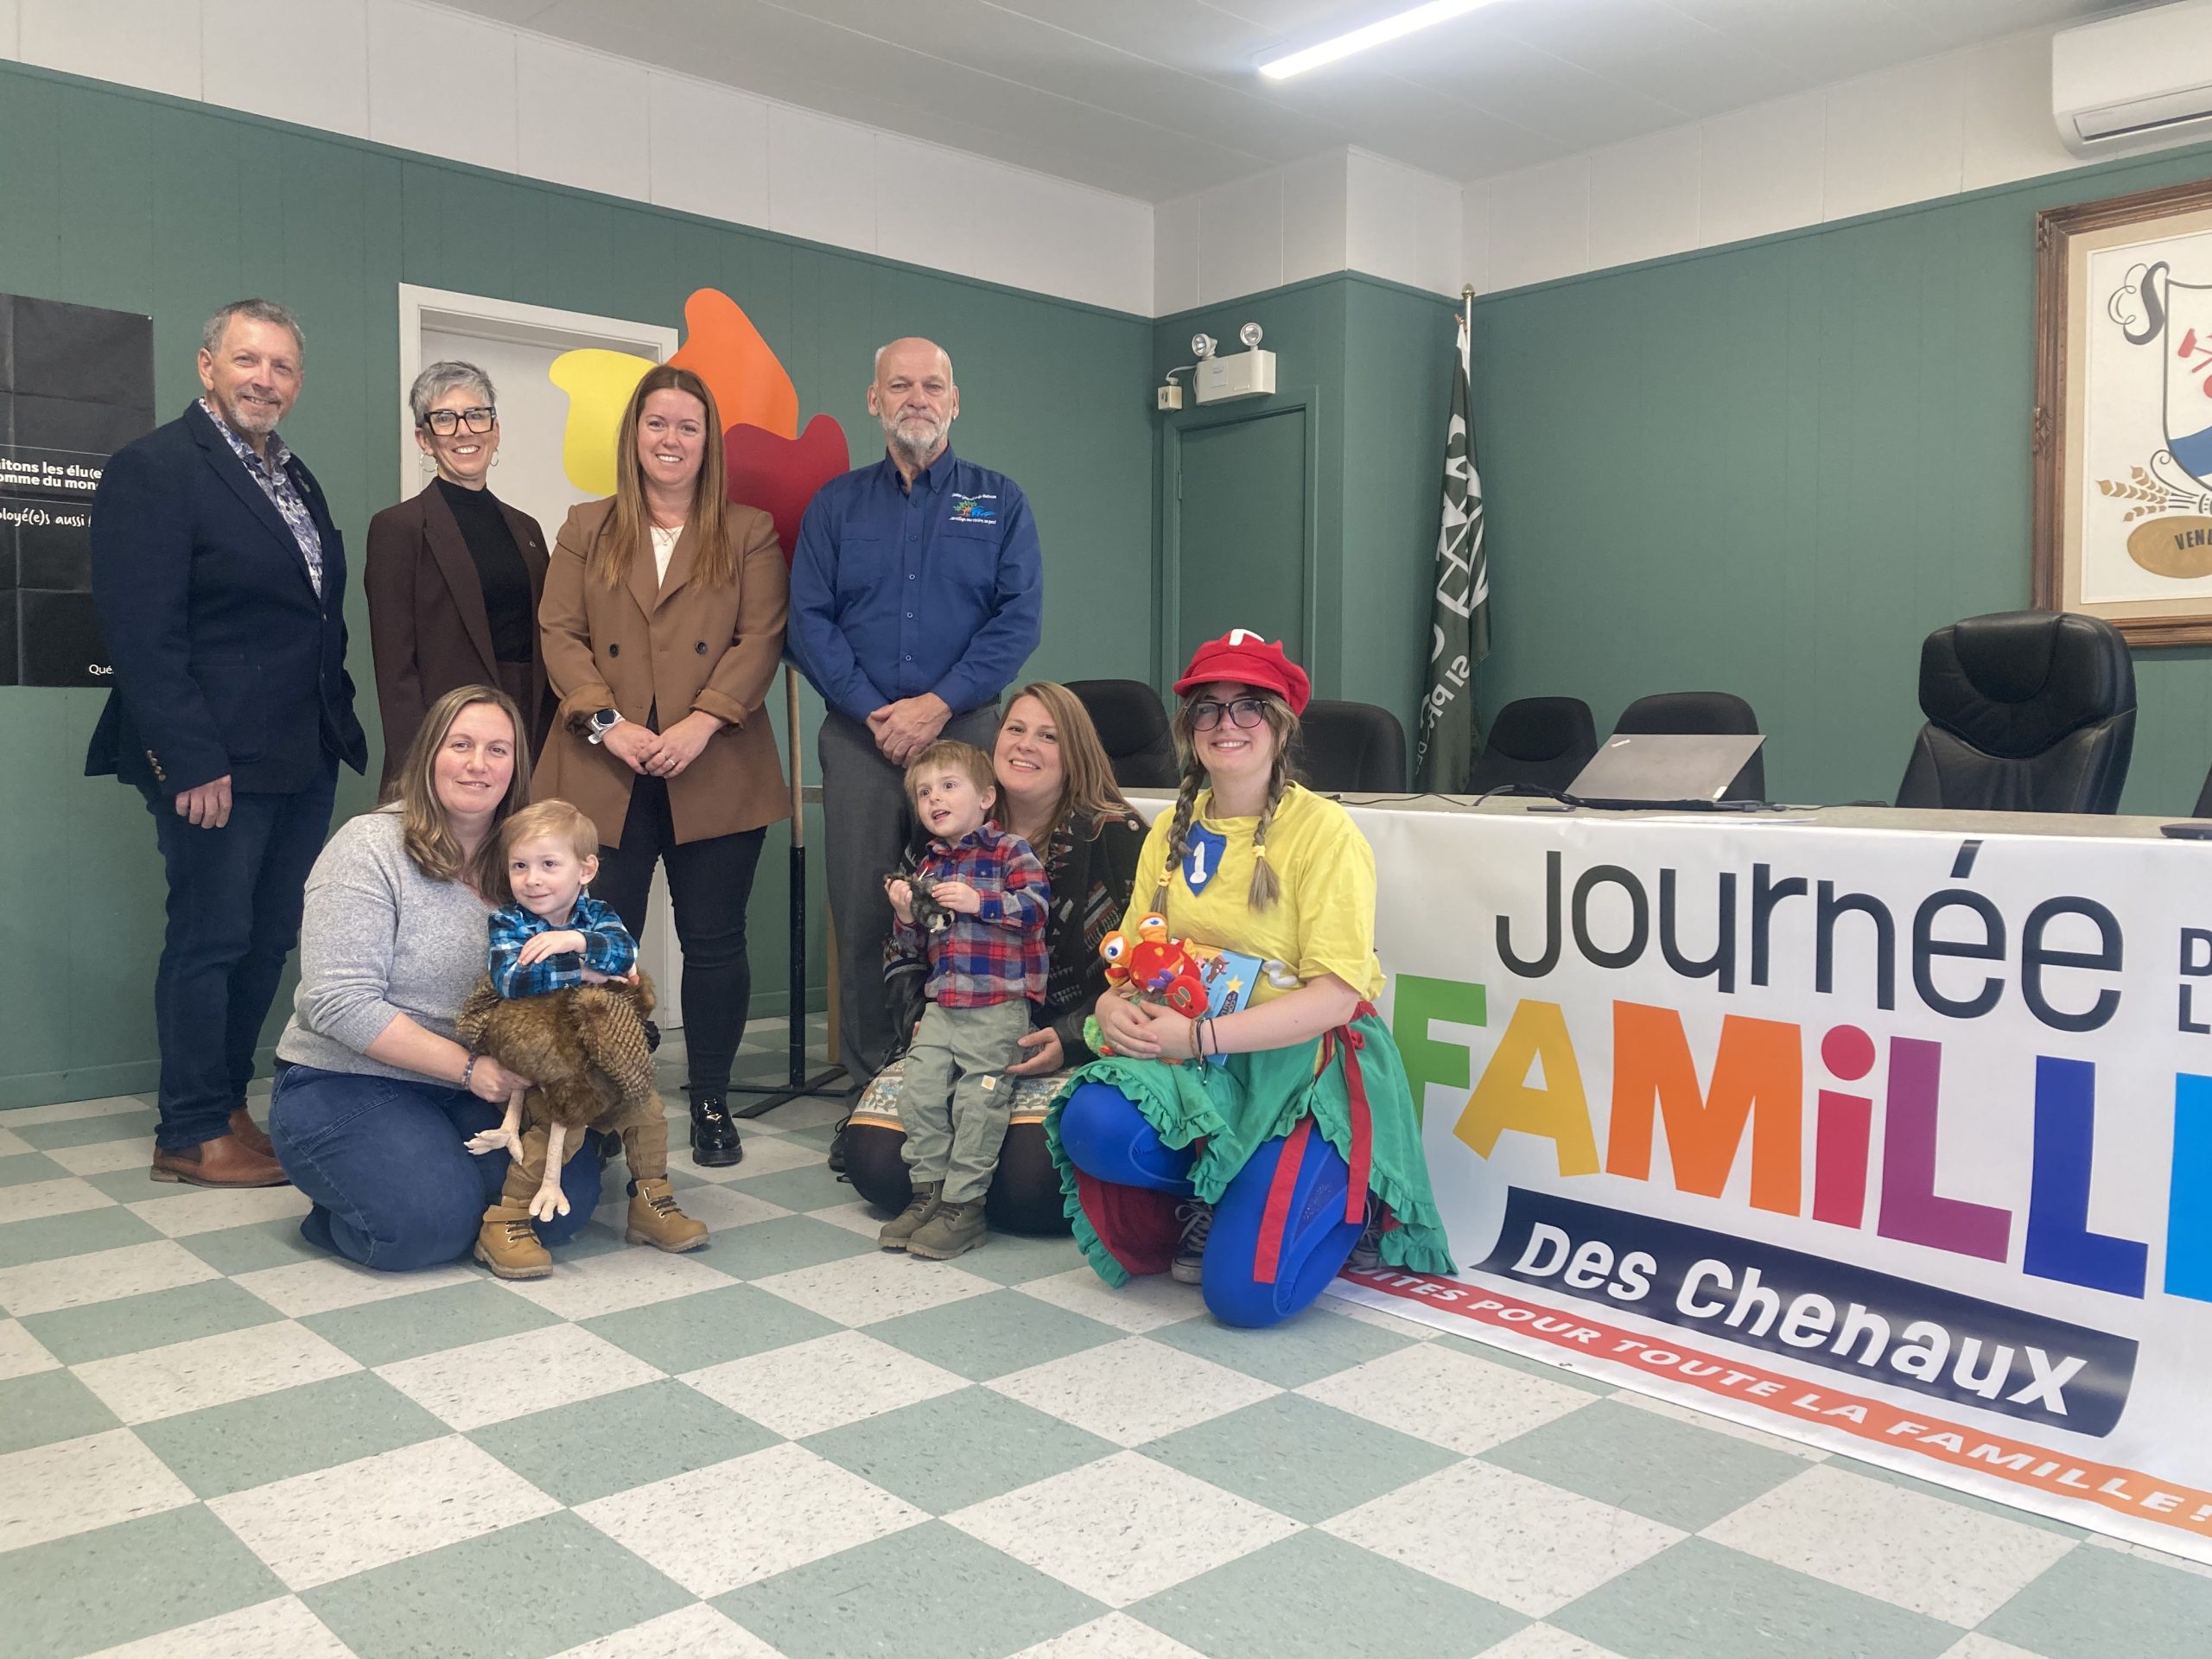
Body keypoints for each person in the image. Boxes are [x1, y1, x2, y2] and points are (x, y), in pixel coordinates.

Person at [1047, 631, 1454, 1328]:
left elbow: (1336, 998)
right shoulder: (1169, 830)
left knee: (1245, 1300)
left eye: (1248, 707)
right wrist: (1113, 1004)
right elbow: (1136, 961)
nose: (1226, 724)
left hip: (1300, 1070)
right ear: (1189, 728)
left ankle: (1345, 1200)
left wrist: (1199, 1038)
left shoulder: (1325, 833)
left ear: (1281, 725)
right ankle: (1215, 1193)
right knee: (1094, 1121)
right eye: (1207, 708)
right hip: (1201, 1064)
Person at [86, 298, 367, 1189]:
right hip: (213, 760)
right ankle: (189, 1129)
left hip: (300, 749)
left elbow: (313, 615)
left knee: (268, 936)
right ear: (207, 366)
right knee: (211, 937)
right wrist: (191, 759)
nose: (265, 380)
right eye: (248, 360)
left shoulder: (295, 477)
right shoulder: (156, 468)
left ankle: (226, 1104)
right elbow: (142, 634)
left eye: (281, 367)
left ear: (298, 382)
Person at [536, 365, 788, 1168]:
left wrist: (704, 721)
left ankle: (710, 1098)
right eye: (657, 423)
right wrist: (607, 724)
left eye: (687, 426)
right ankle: (608, 1101)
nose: (671, 439)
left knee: (714, 941)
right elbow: (559, 633)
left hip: (715, 761)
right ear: (634, 435)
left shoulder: (748, 530)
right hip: (604, 766)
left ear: (708, 442)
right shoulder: (587, 524)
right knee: (601, 946)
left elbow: (761, 637)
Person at [268, 685, 603, 1269]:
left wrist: (599, 975)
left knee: (560, 1211)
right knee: (426, 1226)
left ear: (515, 767)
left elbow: (575, 952)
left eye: (497, 750)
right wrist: (472, 1071)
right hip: (347, 1077)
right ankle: (341, 1216)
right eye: (461, 745)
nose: (479, 765)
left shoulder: (528, 860)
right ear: (429, 755)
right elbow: (336, 1001)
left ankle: (438, 1180)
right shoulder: (368, 847)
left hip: (481, 1084)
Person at [789, 337, 1043, 1088]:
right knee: (866, 909)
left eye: (932, 386)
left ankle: (967, 1073)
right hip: (859, 737)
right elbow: (808, 621)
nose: (917, 400)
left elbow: (1017, 621)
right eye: (899, 386)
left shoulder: (999, 500)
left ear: (954, 401)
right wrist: (878, 713)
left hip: (965, 732)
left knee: (971, 902)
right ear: (875, 400)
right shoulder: (836, 506)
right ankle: (876, 1082)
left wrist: (935, 706)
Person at [842, 683, 1145, 1233]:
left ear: (1075, 751)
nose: (1025, 745)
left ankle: (966, 1205)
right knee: (875, 1165)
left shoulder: (1114, 834)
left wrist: (1071, 1036)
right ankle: (948, 1197)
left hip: (1063, 1038)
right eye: (1016, 729)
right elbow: (902, 949)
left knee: (1031, 1183)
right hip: (955, 1022)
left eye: (1048, 736)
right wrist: (922, 1020)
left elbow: (1145, 962)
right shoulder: (947, 824)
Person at [462, 799, 707, 1279]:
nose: (532, 879)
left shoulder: (597, 916)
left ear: (586, 870)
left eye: (549, 865)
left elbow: (624, 957)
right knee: (560, 1127)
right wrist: (585, 971)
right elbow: (513, 981)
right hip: (546, 1063)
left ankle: (652, 1201)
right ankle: (505, 1221)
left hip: (602, 1055)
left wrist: (575, 943)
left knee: (647, 1110)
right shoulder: (509, 922)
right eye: (519, 866)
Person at [874, 741, 1049, 1260]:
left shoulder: (1011, 851)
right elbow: (914, 944)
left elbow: (1036, 909)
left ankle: (963, 1206)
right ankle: (927, 1193)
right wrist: (905, 915)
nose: (935, 799)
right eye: (925, 792)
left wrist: (980, 902)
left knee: (979, 1101)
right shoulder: (927, 867)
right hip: (942, 1005)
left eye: (949, 786)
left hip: (998, 1007)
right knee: (918, 1092)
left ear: (986, 797)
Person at [365, 360, 552, 789]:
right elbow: (395, 670)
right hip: (446, 744)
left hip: (525, 738)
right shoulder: (398, 528)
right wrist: (418, 766)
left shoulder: (528, 529)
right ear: (424, 439)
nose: (464, 431)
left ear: (495, 430)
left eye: (476, 415)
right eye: (445, 419)